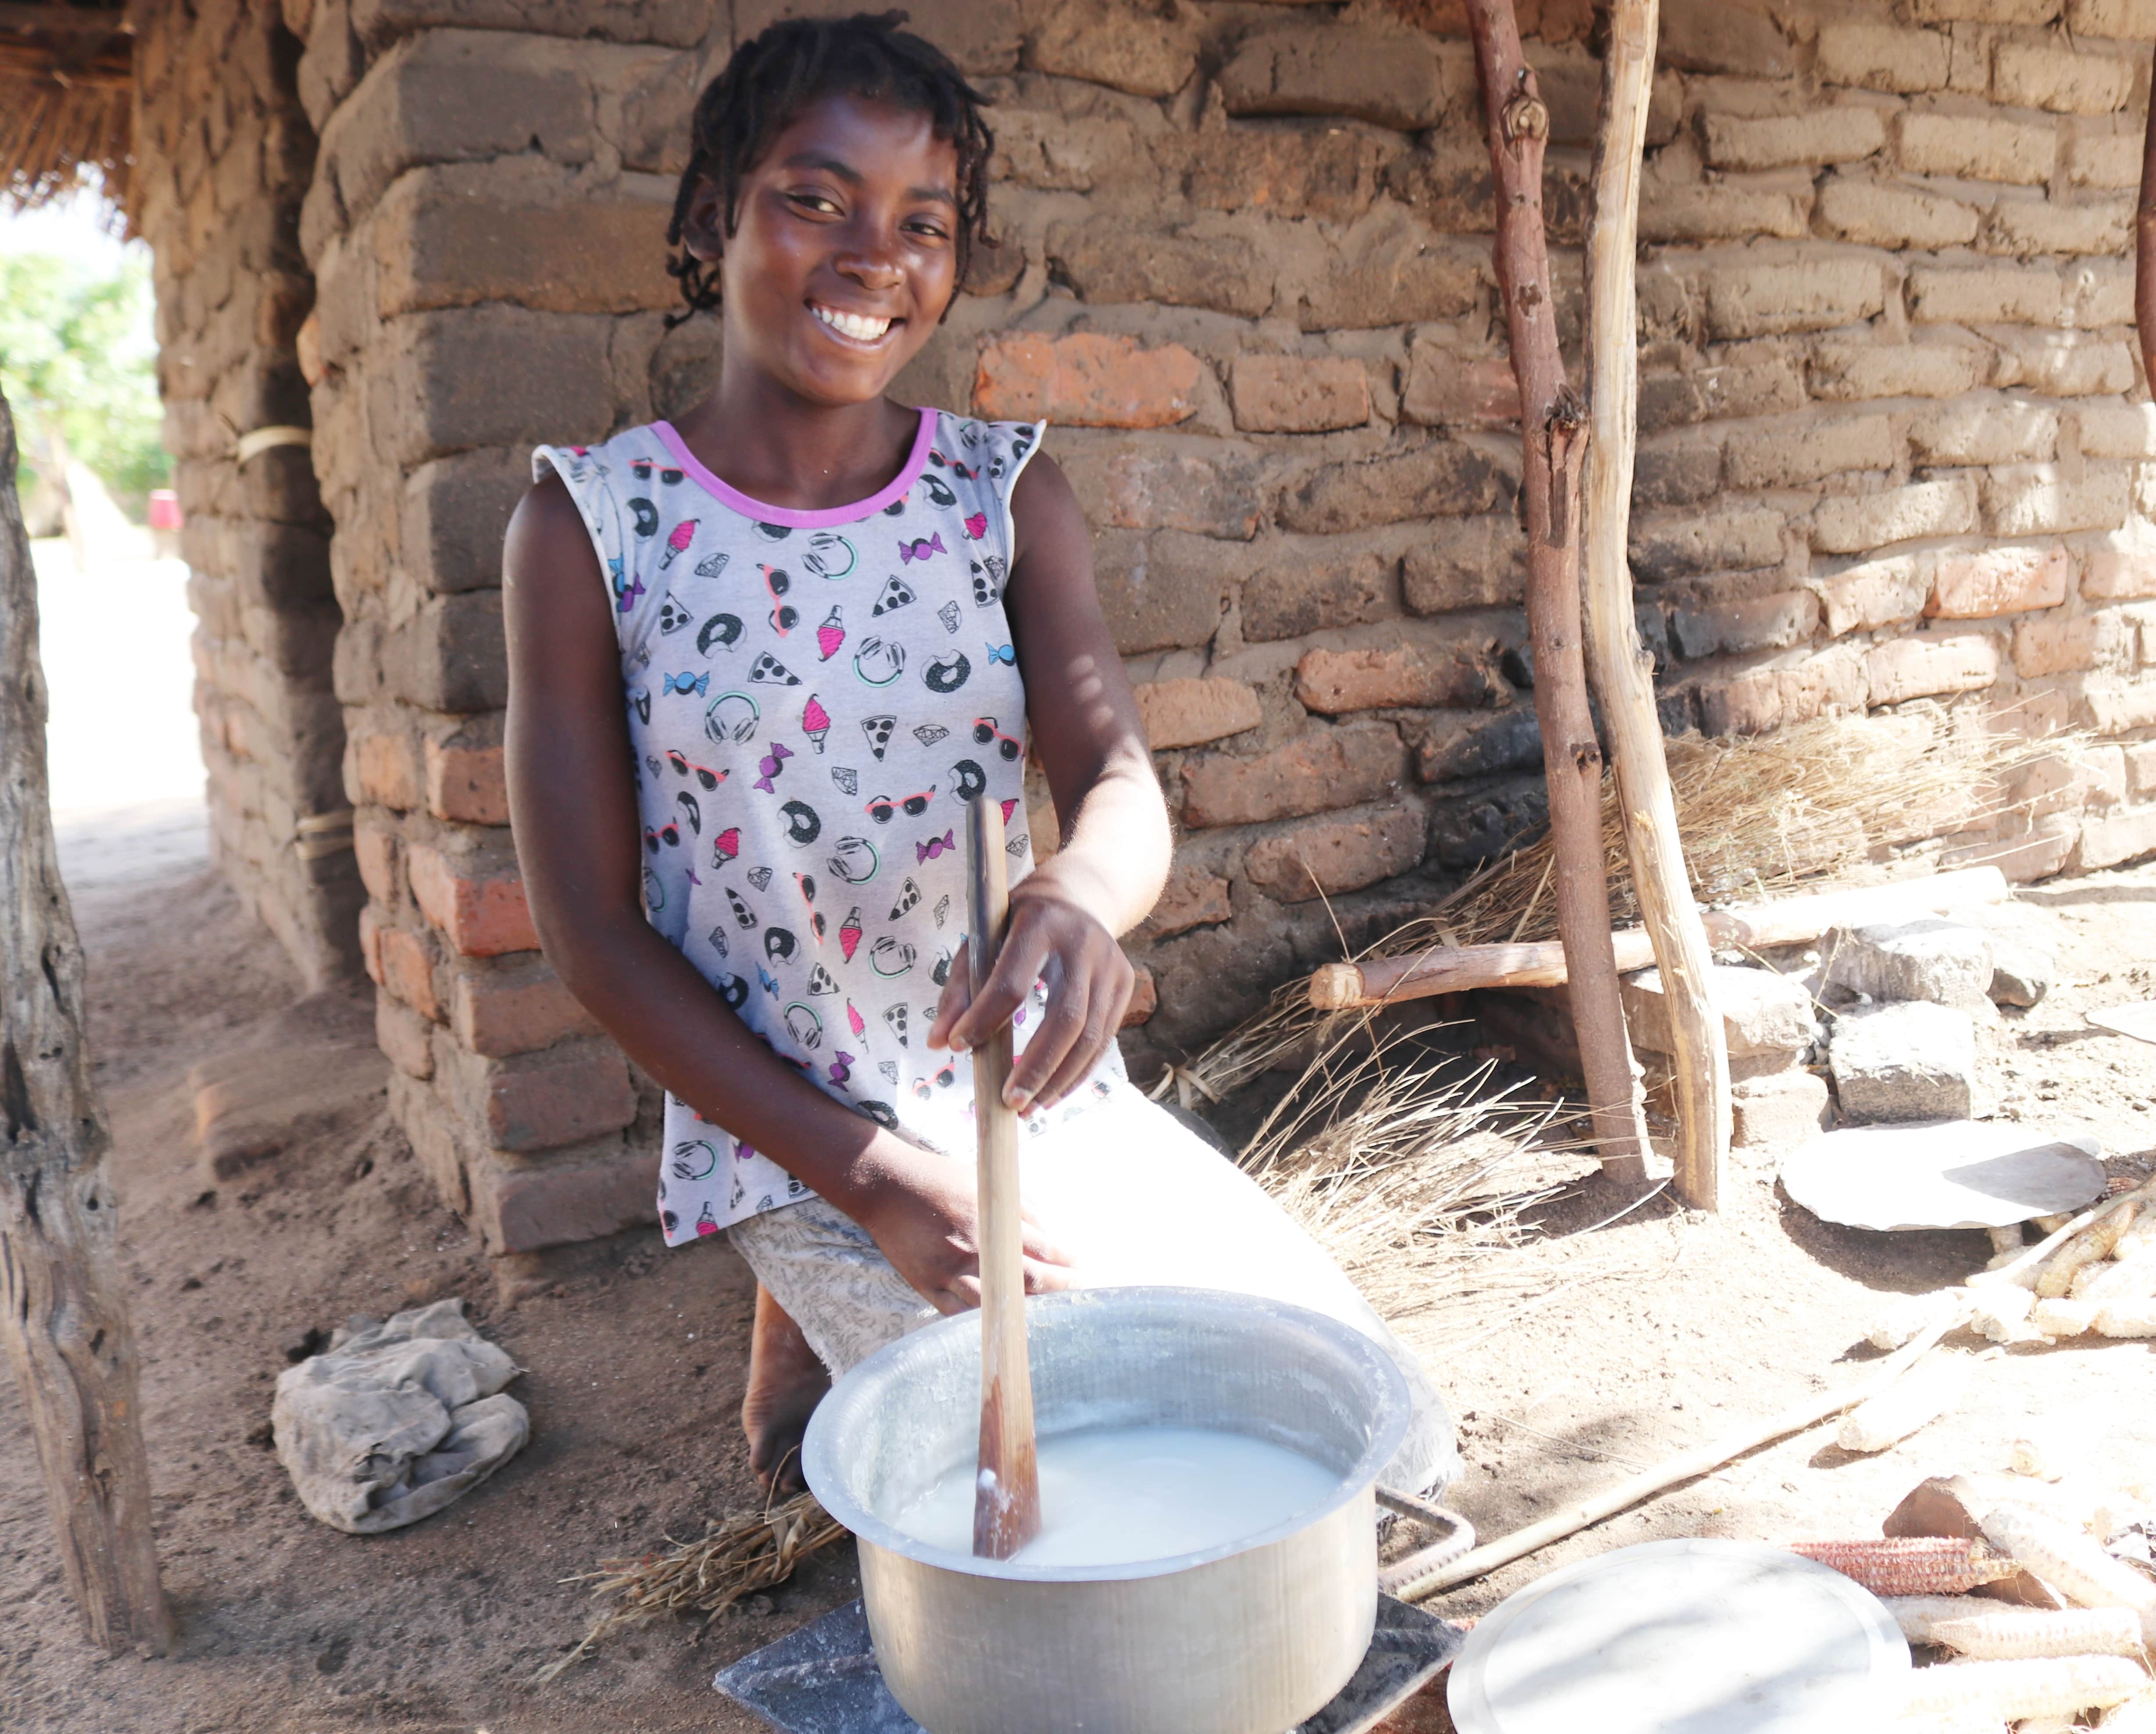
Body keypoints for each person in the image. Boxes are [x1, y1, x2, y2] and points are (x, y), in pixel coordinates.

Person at [502, 10, 1459, 1502]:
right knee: (1069, 1484)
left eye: (922, 223)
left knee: (1381, 1444)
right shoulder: (594, 527)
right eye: (815, 199)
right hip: (795, 1127)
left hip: (1020, 1102)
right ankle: (804, 1284)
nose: (872, 257)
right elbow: (590, 935)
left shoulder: (997, 495)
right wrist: (872, 1184)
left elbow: (1118, 783)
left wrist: (1079, 900)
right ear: (709, 215)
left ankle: (811, 1335)